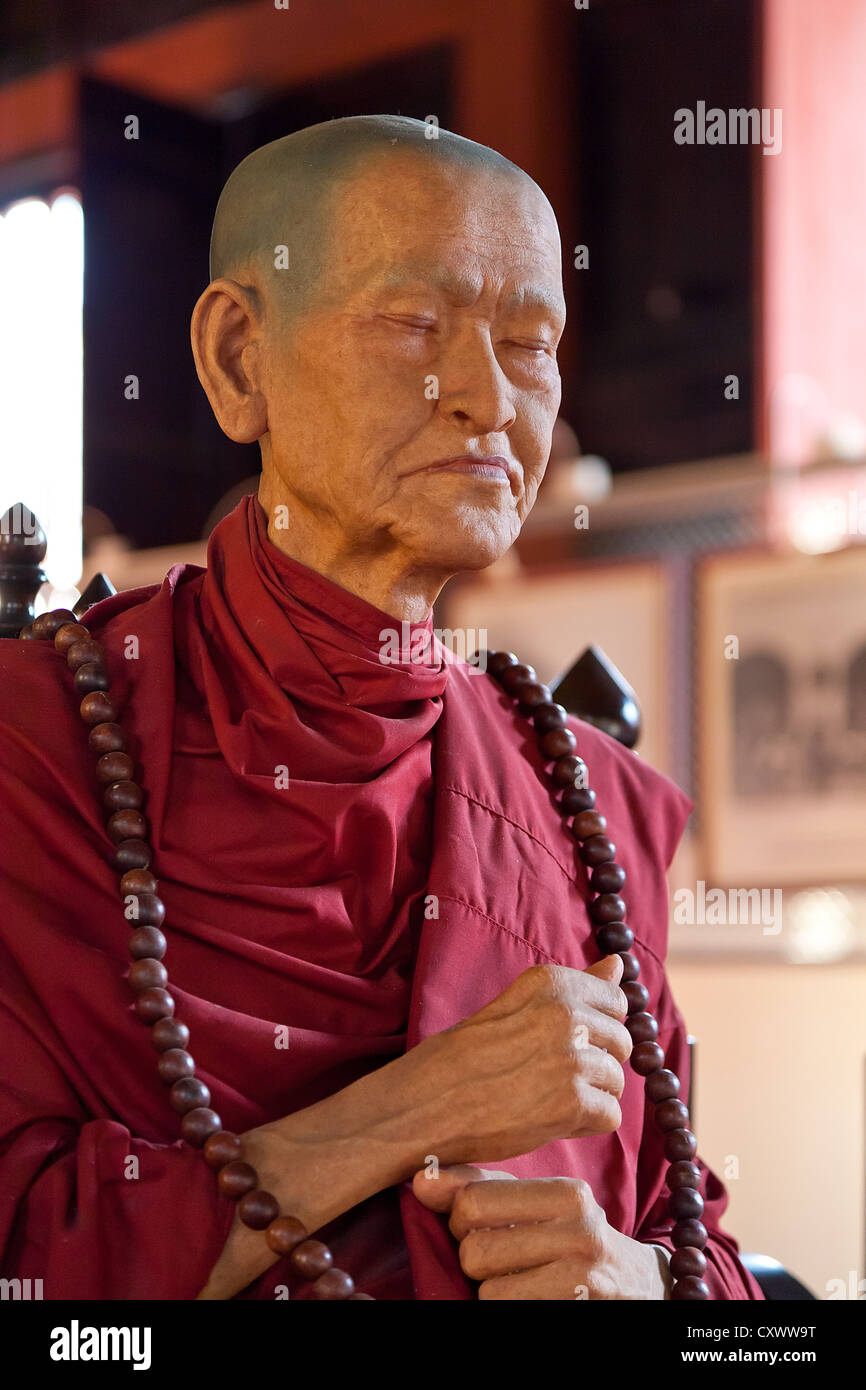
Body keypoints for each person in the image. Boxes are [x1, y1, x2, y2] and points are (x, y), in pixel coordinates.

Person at [0, 114, 761, 1300]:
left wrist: (639, 1287)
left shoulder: (582, 797)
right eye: (413, 324)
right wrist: (420, 1104)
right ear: (238, 360)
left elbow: (712, 1267)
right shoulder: (40, 738)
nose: (484, 396)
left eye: (529, 342)